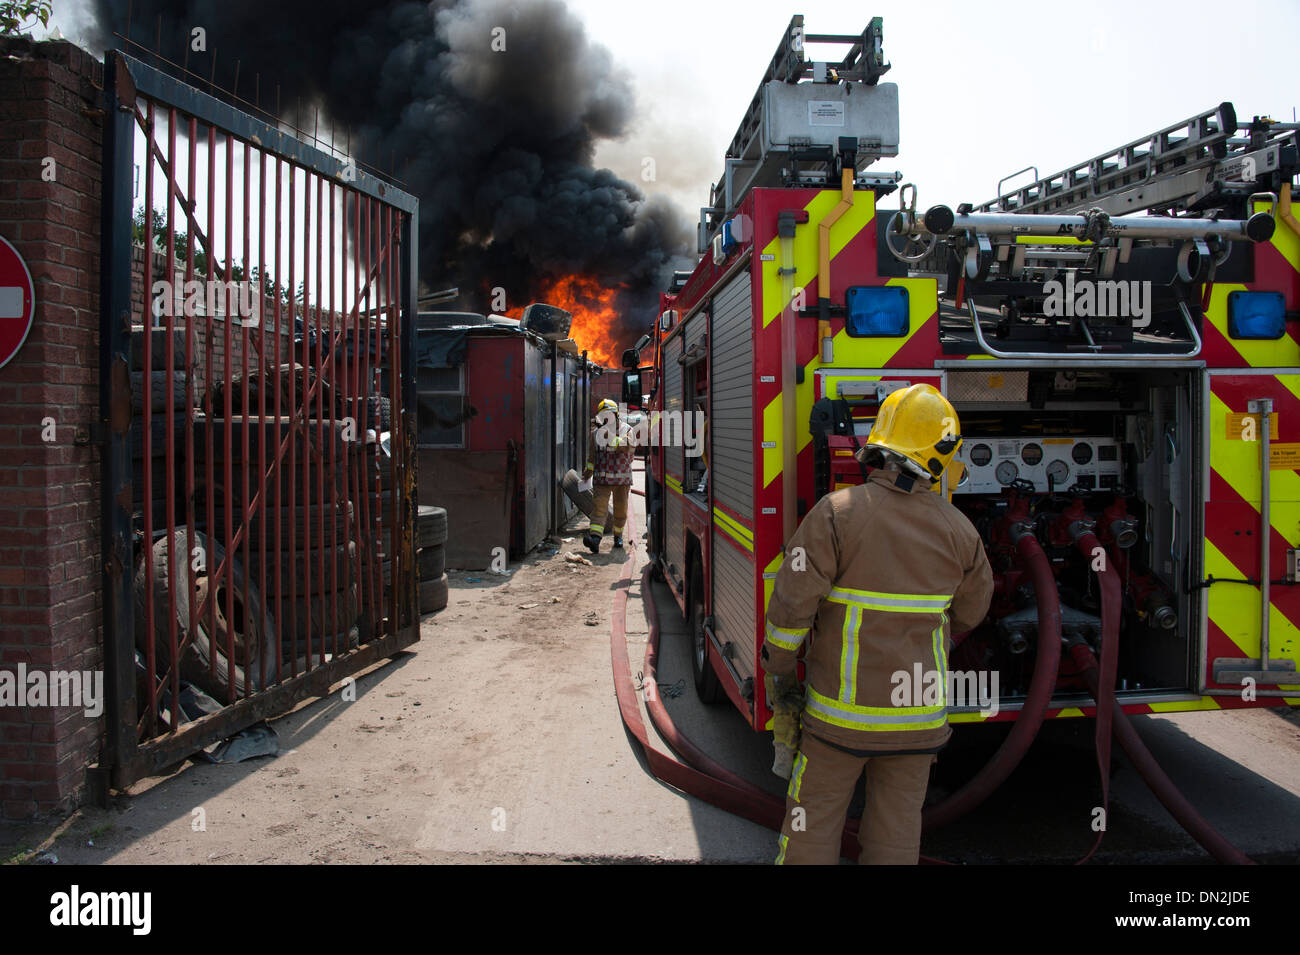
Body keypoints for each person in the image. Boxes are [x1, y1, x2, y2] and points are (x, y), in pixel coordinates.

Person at [761, 383, 993, 865]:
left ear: (881, 446)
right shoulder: (960, 530)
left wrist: (779, 671)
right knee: (895, 837)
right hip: (918, 723)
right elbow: (971, 612)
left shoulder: (837, 514)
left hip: (838, 723)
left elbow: (791, 606)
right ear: (938, 454)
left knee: (812, 826)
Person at [582, 398, 634, 553]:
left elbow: (626, 447)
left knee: (621, 509)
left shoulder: (627, 430)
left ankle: (618, 536)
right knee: (599, 509)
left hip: (621, 480)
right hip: (602, 480)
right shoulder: (595, 434)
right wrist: (587, 474)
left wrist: (609, 436)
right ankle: (595, 539)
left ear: (616, 415)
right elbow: (592, 458)